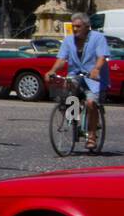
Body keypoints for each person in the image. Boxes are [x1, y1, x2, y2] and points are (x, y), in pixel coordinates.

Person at [47, 12, 110, 150]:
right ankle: (75, 120)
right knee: (66, 96)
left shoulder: (98, 38)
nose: (75, 29)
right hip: (75, 75)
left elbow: (101, 57)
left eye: (78, 26)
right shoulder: (68, 41)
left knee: (91, 103)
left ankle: (91, 134)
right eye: (73, 26)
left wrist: (96, 69)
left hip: (94, 79)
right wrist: (53, 71)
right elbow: (62, 59)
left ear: (87, 26)